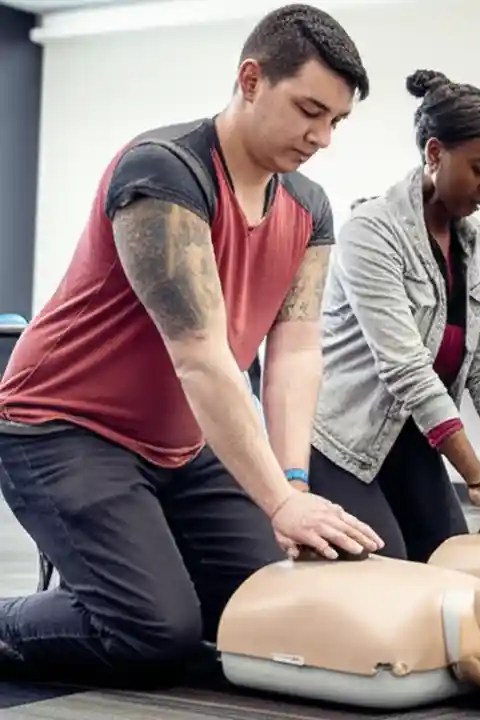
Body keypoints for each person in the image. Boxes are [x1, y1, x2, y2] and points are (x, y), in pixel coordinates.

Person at [0, 5, 384, 683]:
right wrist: (278, 504)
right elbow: (200, 353)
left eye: (336, 121)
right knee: (154, 634)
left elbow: (295, 355)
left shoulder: (310, 208)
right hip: (63, 428)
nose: (322, 136)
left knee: (258, 612)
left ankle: (105, 585)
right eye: (308, 110)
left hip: (182, 447)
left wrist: (291, 486)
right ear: (251, 79)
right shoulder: (165, 173)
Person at [308, 69, 480, 564]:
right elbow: (406, 370)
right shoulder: (371, 232)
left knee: (453, 564)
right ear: (435, 153)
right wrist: (476, 482)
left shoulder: (478, 247)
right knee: (388, 567)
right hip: (343, 440)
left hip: (413, 441)